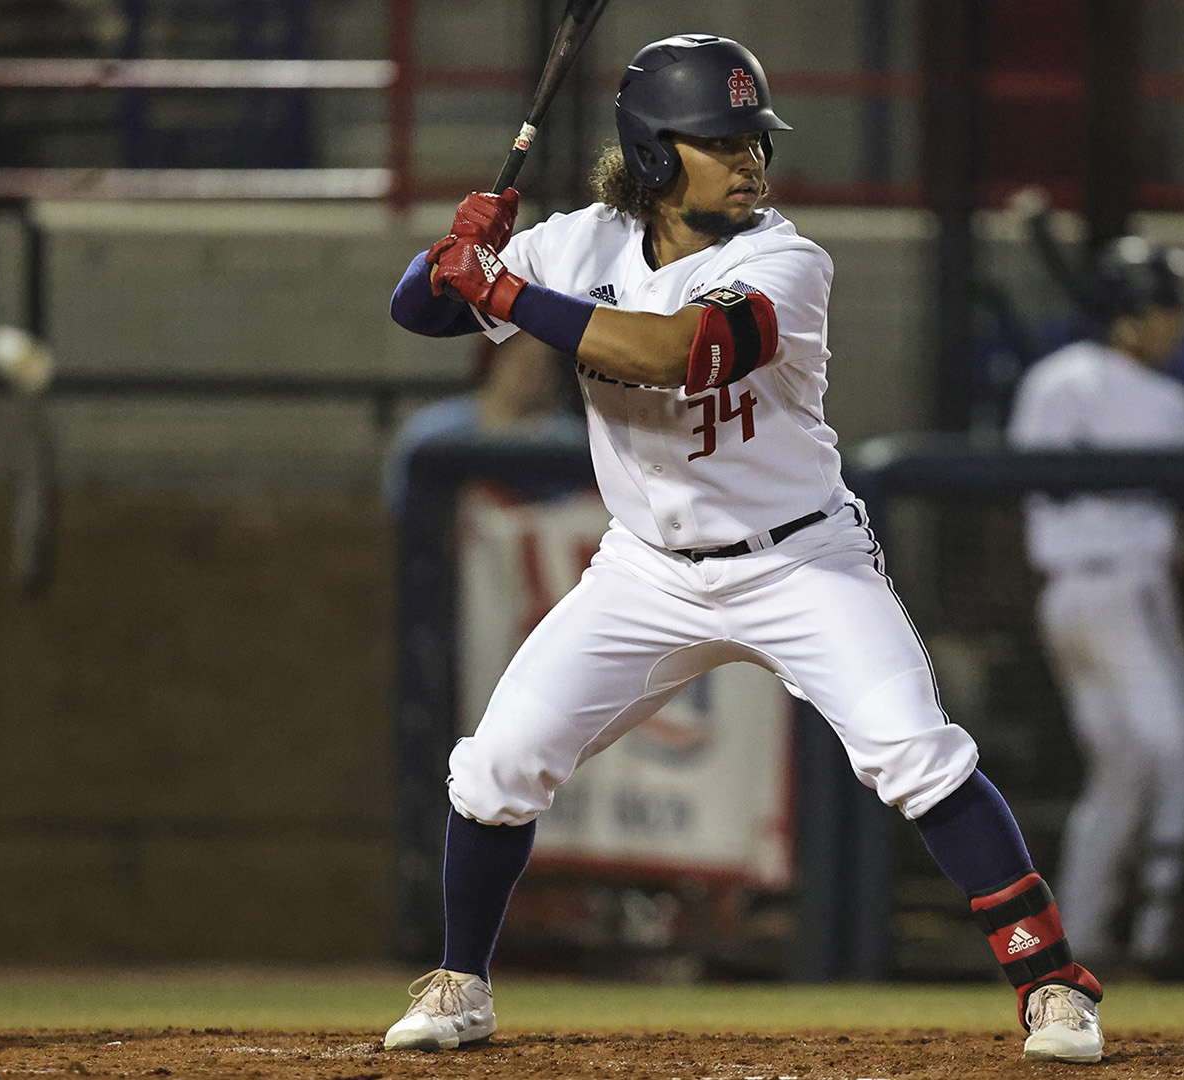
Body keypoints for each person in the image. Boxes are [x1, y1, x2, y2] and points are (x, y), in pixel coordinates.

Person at [384, 33, 1103, 1064]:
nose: (750, 158)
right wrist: (453, 254)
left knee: (914, 752)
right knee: (496, 766)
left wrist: (498, 288)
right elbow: (417, 314)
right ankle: (462, 983)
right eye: (719, 142)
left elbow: (676, 354)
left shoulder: (785, 260)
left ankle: (1053, 984)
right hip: (645, 571)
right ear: (652, 155)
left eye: (753, 138)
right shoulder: (580, 244)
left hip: (800, 561)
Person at [1004, 236, 1184, 974]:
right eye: (1165, 309)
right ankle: (1157, 936)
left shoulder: (1141, 394)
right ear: (1132, 312)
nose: (1175, 324)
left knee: (1122, 772)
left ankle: (1082, 932)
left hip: (1101, 593)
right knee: (1177, 751)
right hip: (1108, 592)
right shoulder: (1086, 385)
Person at [380, 332, 586, 517]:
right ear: (492, 360)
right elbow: (401, 505)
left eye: (546, 365)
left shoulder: (572, 439)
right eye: (524, 362)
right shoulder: (433, 432)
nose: (535, 374)